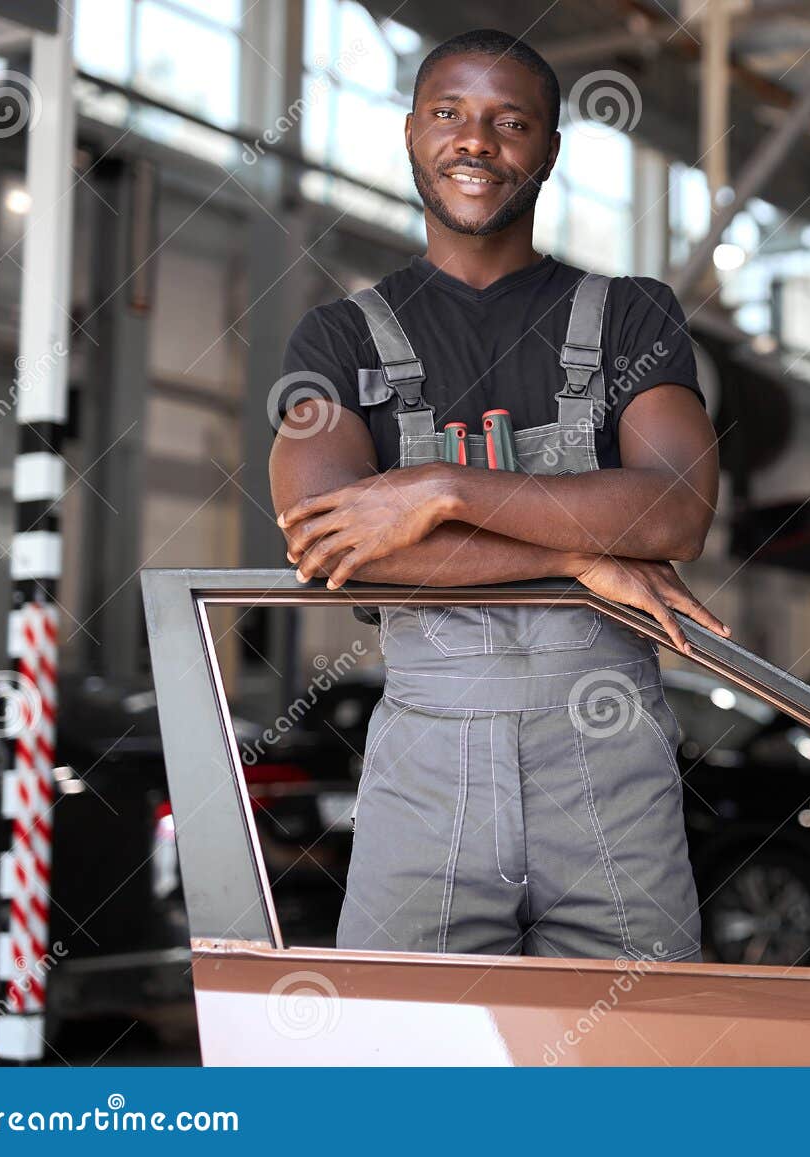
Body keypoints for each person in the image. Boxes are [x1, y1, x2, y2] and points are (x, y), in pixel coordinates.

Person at [268, 29, 730, 964]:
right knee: (397, 1065)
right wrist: (579, 553)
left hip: (612, 767)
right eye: (449, 114)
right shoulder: (338, 339)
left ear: (549, 150)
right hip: (425, 778)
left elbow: (676, 510)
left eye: (509, 122)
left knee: (639, 1068)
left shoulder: (633, 315)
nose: (475, 141)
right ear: (409, 133)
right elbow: (335, 545)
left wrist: (436, 489)